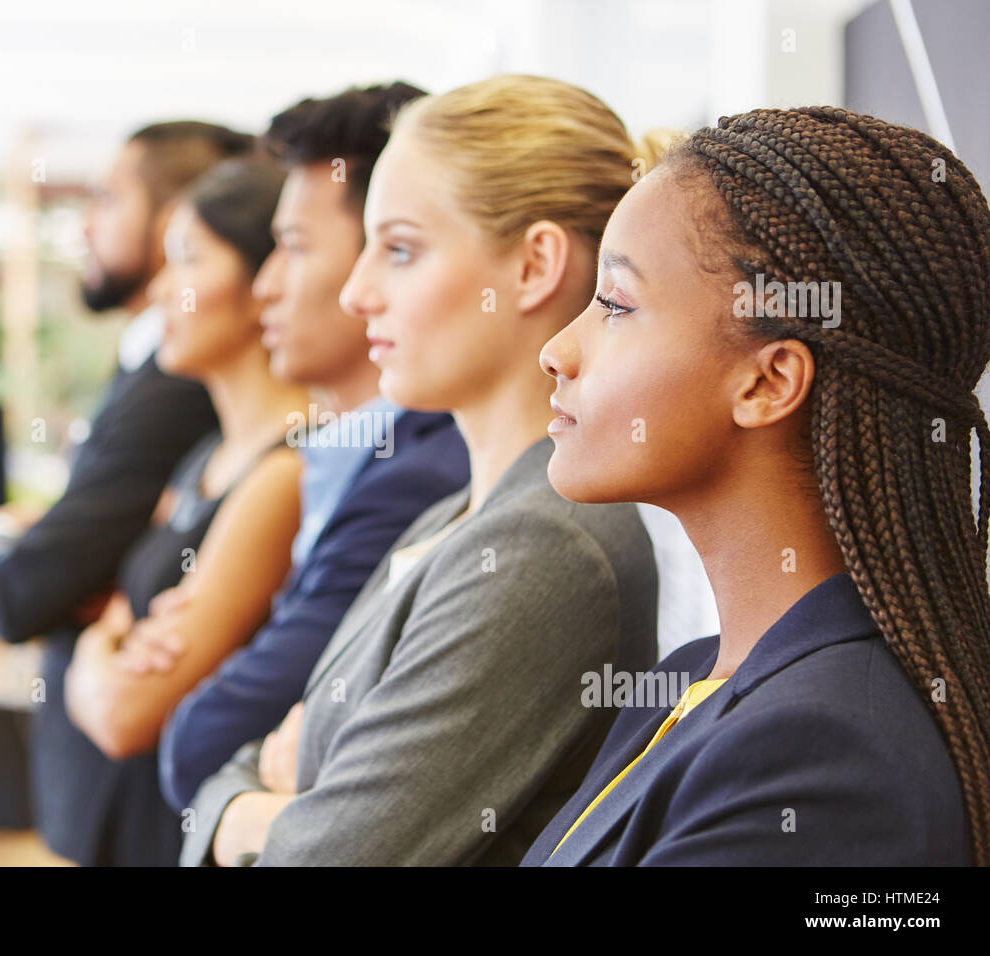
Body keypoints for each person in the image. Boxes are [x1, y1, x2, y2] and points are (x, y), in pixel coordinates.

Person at [181, 75, 660, 867]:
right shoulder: (450, 518)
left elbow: (333, 857)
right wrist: (270, 802)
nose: (357, 291)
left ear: (534, 265)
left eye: (399, 249)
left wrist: (251, 817)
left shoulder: (542, 547)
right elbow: (236, 763)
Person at [524, 106, 990, 866]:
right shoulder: (693, 676)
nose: (556, 350)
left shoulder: (822, 754)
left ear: (769, 382)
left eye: (614, 304)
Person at [148, 83, 471, 815]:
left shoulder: (419, 477)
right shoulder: (346, 458)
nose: (265, 286)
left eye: (292, 248)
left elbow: (203, 736)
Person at [49, 156, 309, 865]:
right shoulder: (204, 456)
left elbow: (127, 712)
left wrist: (96, 655)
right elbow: (116, 616)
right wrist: (112, 644)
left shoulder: (283, 471)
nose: (162, 290)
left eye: (188, 261)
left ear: (261, 280)